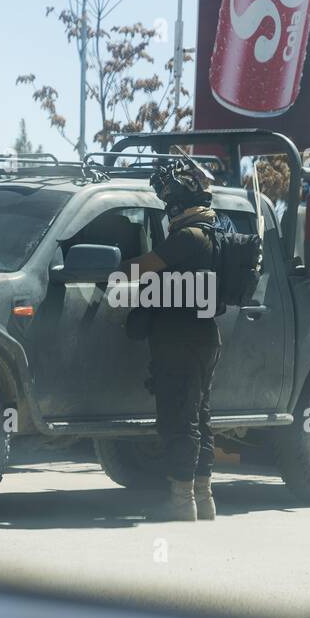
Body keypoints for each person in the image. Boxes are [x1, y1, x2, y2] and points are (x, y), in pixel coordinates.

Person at [120, 158, 224, 522]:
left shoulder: (187, 238)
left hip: (178, 337)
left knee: (180, 418)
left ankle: (181, 502)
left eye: (169, 200)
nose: (168, 206)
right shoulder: (211, 234)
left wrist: (116, 268)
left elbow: (140, 269)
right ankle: (203, 498)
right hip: (204, 336)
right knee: (200, 414)